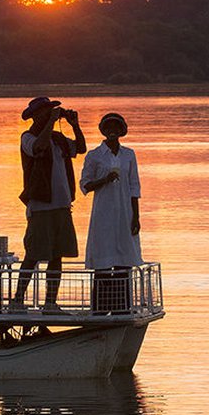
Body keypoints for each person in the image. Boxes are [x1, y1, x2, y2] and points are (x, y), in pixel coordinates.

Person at [13, 96, 85, 312]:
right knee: (33, 254)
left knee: (57, 255)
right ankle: (17, 300)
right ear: (35, 116)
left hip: (62, 206)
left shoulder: (58, 138)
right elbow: (37, 147)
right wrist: (52, 122)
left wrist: (75, 125)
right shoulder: (27, 137)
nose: (50, 115)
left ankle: (50, 303)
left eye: (51, 111)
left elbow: (80, 149)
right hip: (40, 205)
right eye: (45, 112)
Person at [80, 112, 141, 312]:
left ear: (122, 131)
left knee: (124, 259)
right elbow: (85, 185)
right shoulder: (95, 156)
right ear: (104, 131)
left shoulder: (129, 155)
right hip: (103, 214)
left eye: (116, 127)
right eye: (109, 127)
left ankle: (122, 307)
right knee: (103, 257)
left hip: (125, 213)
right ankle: (100, 308)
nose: (112, 131)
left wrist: (136, 217)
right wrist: (104, 179)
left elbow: (134, 186)